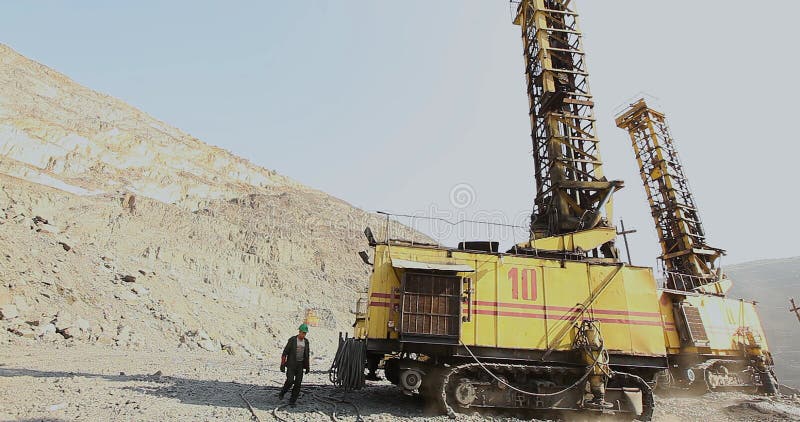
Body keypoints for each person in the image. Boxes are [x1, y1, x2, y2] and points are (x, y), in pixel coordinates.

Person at [278, 323, 310, 406]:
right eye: (302, 332)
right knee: (290, 381)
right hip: (291, 364)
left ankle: (292, 400)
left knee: (298, 384)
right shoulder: (292, 340)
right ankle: (282, 392)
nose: (303, 334)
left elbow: (307, 355)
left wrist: (307, 367)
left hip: (300, 365)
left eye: (305, 333)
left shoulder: (306, 342)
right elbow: (285, 353)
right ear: (299, 331)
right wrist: (282, 364)